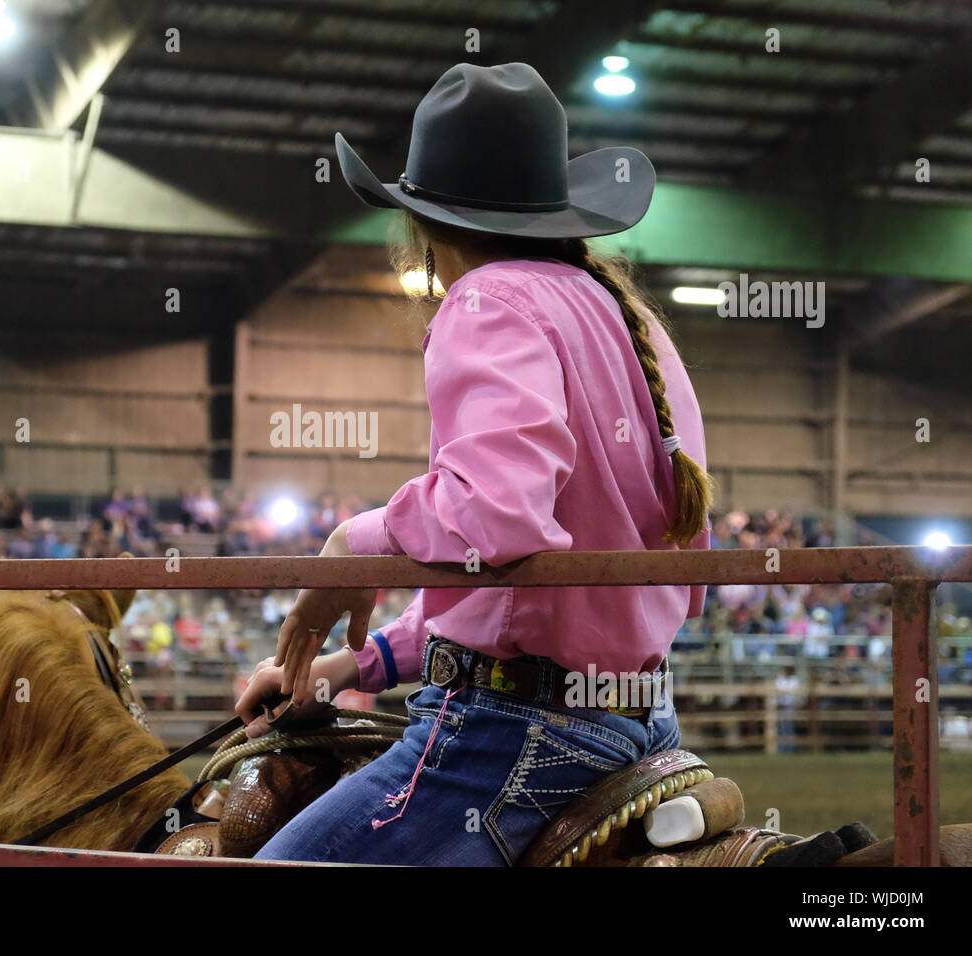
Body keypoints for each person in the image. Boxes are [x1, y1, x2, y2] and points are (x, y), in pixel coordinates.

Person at [235, 63, 711, 865]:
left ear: (423, 224)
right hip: (636, 719)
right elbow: (524, 599)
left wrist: (353, 543)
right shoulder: (630, 326)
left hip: (514, 739)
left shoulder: (486, 301)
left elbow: (494, 517)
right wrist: (355, 664)